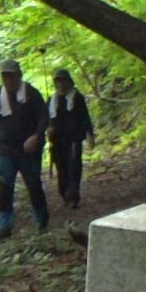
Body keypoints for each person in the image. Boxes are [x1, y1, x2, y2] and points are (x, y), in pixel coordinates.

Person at [0, 59, 50, 236]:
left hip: (29, 150)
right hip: (5, 149)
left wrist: (36, 136)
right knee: (4, 187)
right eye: (5, 76)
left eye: (11, 76)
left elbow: (44, 118)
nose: (8, 80)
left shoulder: (32, 94)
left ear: (19, 75)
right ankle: (4, 226)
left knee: (34, 185)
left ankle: (41, 221)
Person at [47, 68, 95, 209]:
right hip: (57, 141)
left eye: (63, 81)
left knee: (74, 167)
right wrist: (48, 129)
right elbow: (46, 119)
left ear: (69, 82)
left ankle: (73, 196)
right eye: (58, 81)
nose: (61, 84)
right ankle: (64, 193)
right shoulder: (51, 101)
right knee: (61, 169)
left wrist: (90, 134)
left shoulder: (76, 97)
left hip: (74, 139)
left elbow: (85, 117)